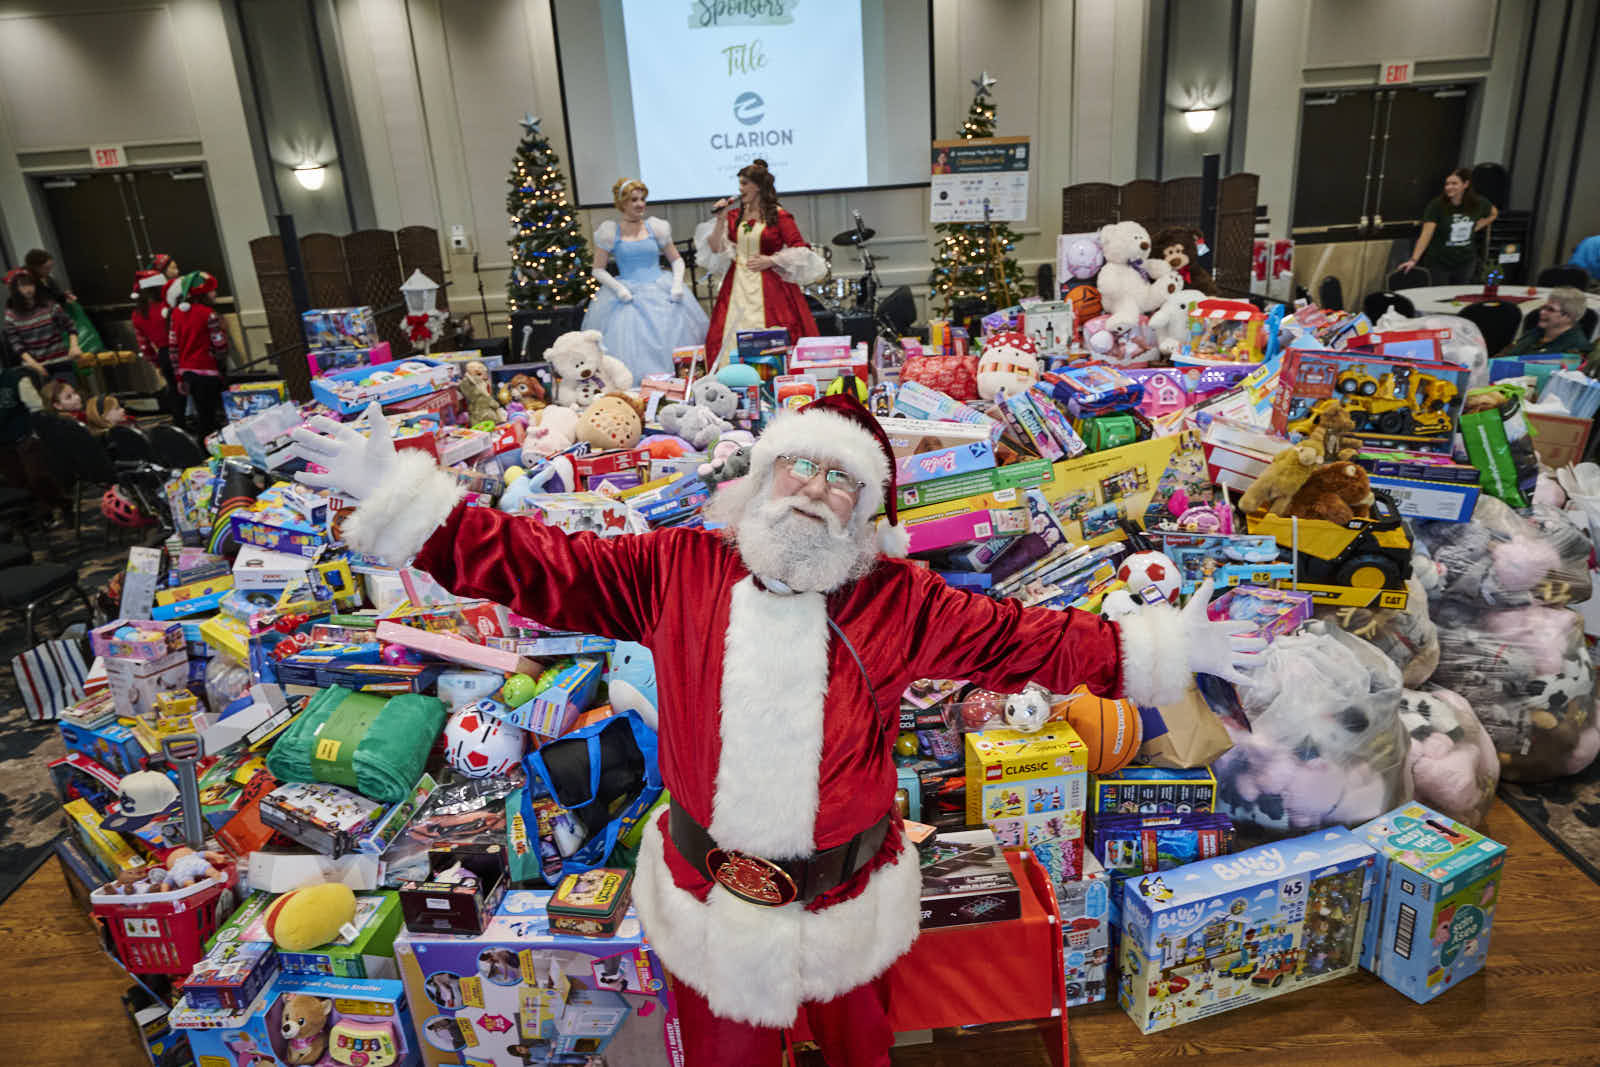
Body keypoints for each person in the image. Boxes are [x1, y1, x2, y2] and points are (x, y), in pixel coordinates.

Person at [291, 393, 1262, 1067]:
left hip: (851, 888)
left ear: (868, 513)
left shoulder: (901, 600)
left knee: (859, 1051)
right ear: (759, 475)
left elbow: (1031, 637)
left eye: (839, 479)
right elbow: (542, 563)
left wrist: (1163, 646)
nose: (810, 486)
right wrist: (419, 509)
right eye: (793, 463)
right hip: (717, 900)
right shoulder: (676, 566)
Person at [582, 178, 710, 380]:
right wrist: (618, 289)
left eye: (642, 199)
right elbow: (598, 269)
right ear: (622, 203)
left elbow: (677, 261)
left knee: (671, 339)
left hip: (662, 292)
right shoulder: (610, 232)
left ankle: (675, 385)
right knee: (632, 345)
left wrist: (677, 285)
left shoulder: (655, 228)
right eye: (634, 200)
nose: (640, 204)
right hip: (628, 297)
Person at [703, 159, 825, 367]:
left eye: (744, 184)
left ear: (757, 187)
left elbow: (801, 248)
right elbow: (716, 247)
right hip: (737, 283)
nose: (740, 189)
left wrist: (772, 260)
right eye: (740, 184)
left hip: (771, 284)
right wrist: (720, 219)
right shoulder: (733, 216)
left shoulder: (779, 216)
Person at [1398, 168, 1498, 285]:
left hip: (1465, 261)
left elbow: (1493, 213)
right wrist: (1413, 260)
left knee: (1459, 297)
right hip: (1439, 261)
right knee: (1440, 294)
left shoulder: (1479, 203)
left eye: (1454, 183)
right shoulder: (1436, 205)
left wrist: (1475, 227)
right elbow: (1426, 234)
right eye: (1447, 184)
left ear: (1465, 184)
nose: (1449, 187)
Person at [0, 353, 65, 524]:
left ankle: (59, 505)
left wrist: (36, 432)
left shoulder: (15, 379)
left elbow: (36, 407)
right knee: (17, 482)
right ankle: (35, 517)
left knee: (37, 477)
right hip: (3, 444)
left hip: (24, 436)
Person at [167, 271, 229, 436]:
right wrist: (220, 360)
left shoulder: (176, 314)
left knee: (202, 414)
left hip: (187, 373)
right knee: (211, 418)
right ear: (203, 293)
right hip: (208, 372)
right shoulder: (209, 314)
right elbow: (219, 344)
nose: (215, 293)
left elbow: (173, 347)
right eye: (212, 290)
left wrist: (178, 376)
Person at [3, 267, 80, 379]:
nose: (28, 289)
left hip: (60, 362)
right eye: (22, 286)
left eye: (30, 284)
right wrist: (34, 365)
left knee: (68, 394)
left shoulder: (50, 305)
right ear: (15, 290)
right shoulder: (11, 316)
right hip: (34, 367)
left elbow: (69, 325)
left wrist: (74, 346)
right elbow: (17, 345)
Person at [131, 269, 181, 421]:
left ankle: (181, 425)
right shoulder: (171, 307)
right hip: (184, 352)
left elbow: (145, 346)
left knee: (175, 394)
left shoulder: (138, 314)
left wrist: (157, 363)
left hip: (164, 356)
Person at [1499, 286, 1593, 357]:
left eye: (1550, 310)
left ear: (1568, 316)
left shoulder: (1576, 348)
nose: (1542, 312)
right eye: (1543, 307)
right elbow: (1505, 354)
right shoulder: (1536, 333)